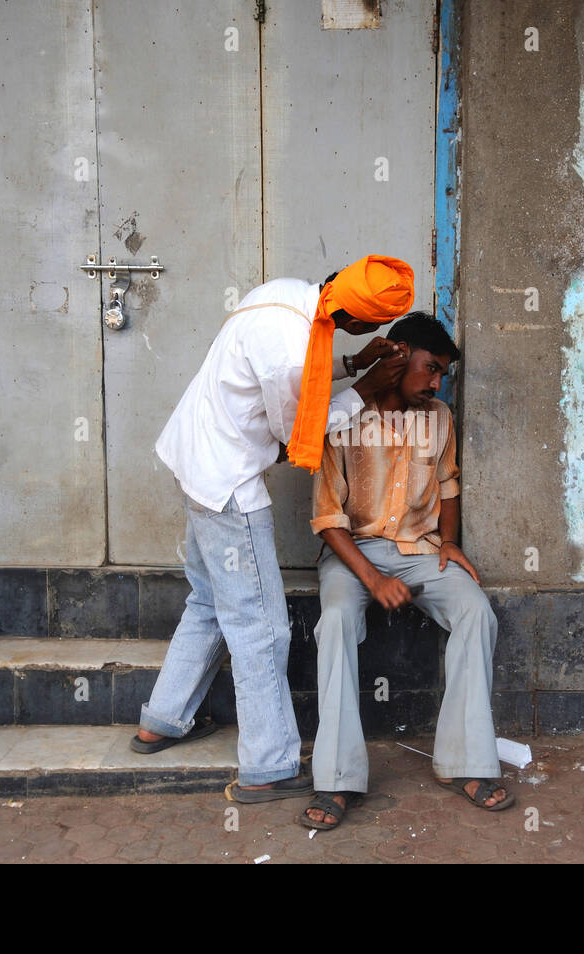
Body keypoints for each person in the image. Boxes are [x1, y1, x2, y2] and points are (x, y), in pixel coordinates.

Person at [134, 255, 415, 803]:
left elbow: (298, 371)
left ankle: (162, 720)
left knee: (212, 602)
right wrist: (366, 389)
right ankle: (268, 766)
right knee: (262, 628)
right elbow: (296, 437)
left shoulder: (287, 293)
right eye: (364, 331)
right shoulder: (291, 348)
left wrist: (353, 362)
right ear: (354, 317)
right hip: (228, 485)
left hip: (194, 461)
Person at [299, 312, 512, 830]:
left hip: (419, 550)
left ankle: (467, 762)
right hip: (353, 556)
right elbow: (328, 519)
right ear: (397, 357)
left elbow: (447, 483)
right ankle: (337, 778)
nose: (437, 383)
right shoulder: (344, 417)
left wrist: (453, 544)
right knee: (336, 623)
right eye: (432, 368)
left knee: (476, 613)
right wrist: (373, 580)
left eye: (442, 375)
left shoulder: (439, 416)